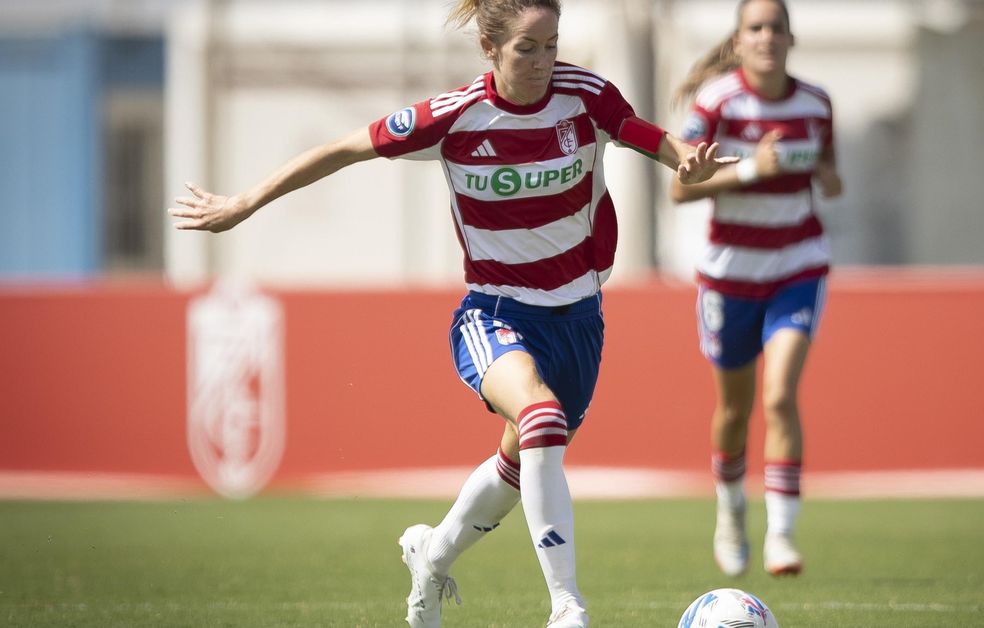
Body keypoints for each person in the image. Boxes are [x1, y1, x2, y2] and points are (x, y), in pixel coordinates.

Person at [170, 1, 732, 626]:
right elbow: (345, 147)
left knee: (525, 458)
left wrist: (687, 154)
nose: (545, 61)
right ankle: (567, 605)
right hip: (495, 312)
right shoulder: (456, 116)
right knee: (542, 418)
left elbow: (646, 136)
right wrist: (246, 201)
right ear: (490, 49)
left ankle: (431, 558)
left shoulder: (587, 97)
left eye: (552, 44)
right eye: (527, 48)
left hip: (578, 315)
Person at [669, 0, 843, 578]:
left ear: (792, 38)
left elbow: (830, 178)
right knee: (735, 410)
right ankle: (730, 513)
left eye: (777, 28)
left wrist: (827, 176)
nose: (767, 37)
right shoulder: (717, 103)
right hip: (730, 274)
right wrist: (751, 169)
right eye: (756, 28)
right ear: (739, 40)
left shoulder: (816, 104)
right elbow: (680, 189)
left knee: (779, 397)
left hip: (797, 266)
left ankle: (783, 538)